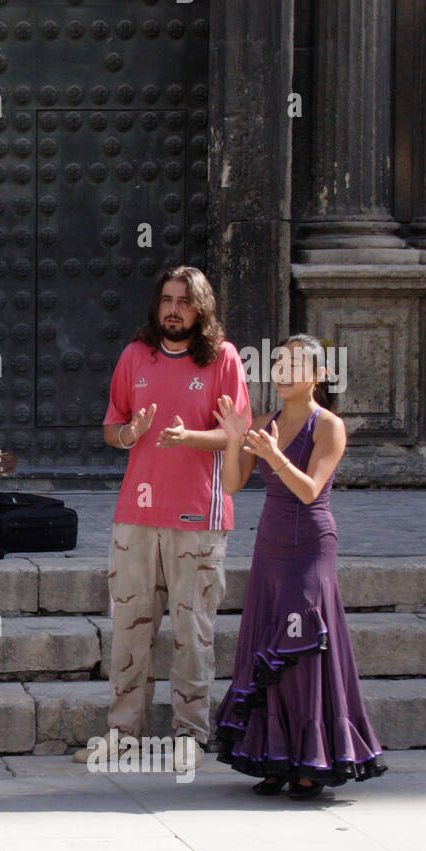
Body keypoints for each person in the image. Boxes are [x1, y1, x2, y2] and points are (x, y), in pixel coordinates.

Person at [78, 266, 251, 771]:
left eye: (185, 301)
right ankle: (122, 731)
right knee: (131, 626)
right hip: (136, 514)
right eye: (167, 300)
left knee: (192, 629)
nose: (174, 309)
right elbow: (113, 429)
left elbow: (235, 434)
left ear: (201, 308)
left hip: (199, 514)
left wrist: (190, 438)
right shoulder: (135, 356)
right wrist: (131, 433)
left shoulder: (222, 359)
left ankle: (190, 734)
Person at [213, 335, 387, 797]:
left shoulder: (329, 425)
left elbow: (310, 489)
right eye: (279, 363)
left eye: (295, 364)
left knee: (302, 643)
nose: (284, 372)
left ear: (318, 374)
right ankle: (274, 758)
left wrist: (274, 456)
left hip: (310, 542)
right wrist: (233, 442)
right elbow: (232, 485)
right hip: (269, 542)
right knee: (268, 636)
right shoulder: (265, 422)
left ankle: (311, 761)